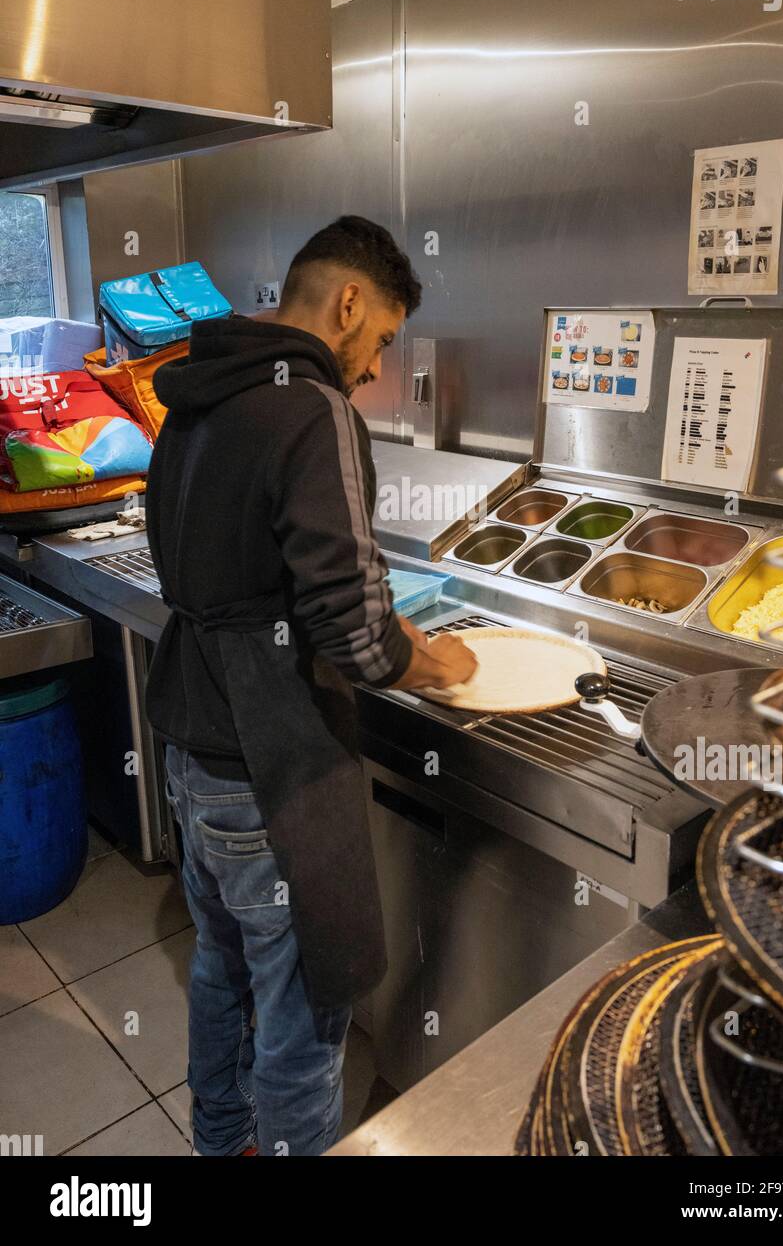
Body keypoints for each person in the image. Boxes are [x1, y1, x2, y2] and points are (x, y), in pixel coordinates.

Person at [145, 216, 477, 1156]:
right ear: (347, 303)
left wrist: (372, 620)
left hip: (192, 748)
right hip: (271, 767)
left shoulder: (199, 390)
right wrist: (431, 659)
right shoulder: (312, 408)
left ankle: (222, 1141)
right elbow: (356, 633)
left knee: (223, 969)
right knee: (304, 1009)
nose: (372, 368)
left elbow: (245, 574)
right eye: (377, 340)